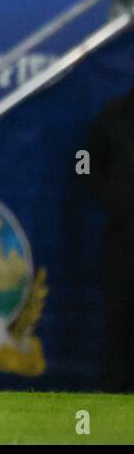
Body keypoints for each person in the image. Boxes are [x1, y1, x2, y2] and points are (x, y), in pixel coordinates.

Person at [86, 83, 134, 393]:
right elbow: (85, 164)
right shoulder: (115, 115)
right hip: (124, 237)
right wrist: (114, 200)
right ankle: (116, 390)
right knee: (119, 318)